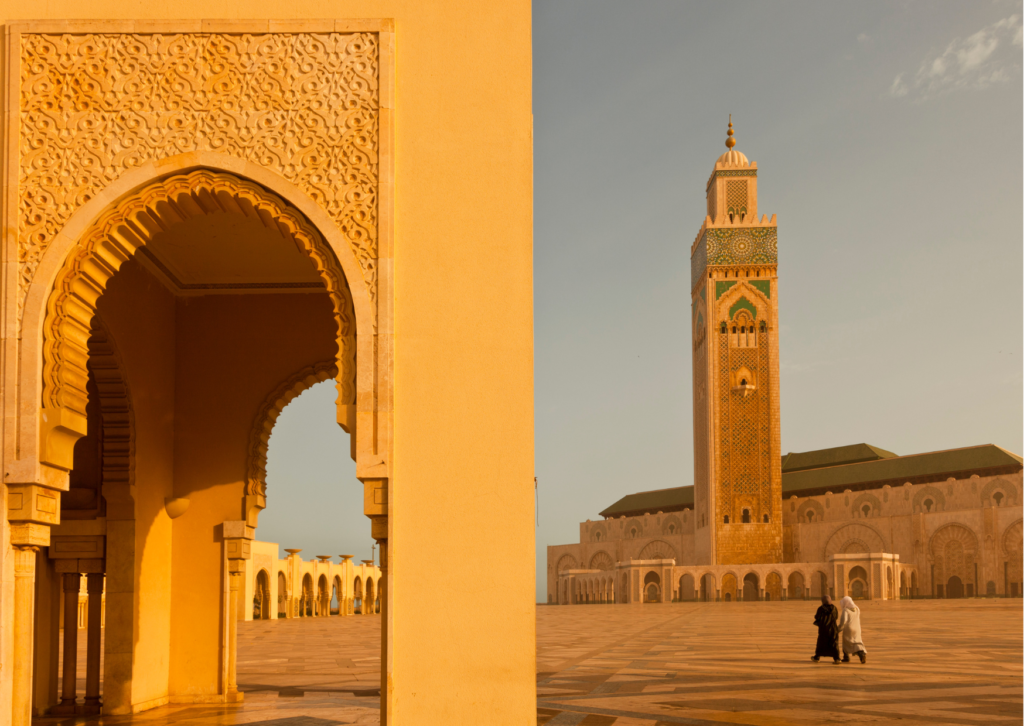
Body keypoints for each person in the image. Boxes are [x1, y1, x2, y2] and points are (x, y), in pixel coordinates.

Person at [811, 595, 840, 663]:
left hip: (824, 628)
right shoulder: (834, 608)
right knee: (834, 643)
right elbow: (836, 617)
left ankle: (817, 657)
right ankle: (837, 658)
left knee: (821, 643)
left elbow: (817, 617)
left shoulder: (821, 608)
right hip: (833, 628)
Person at [838, 596, 867, 664]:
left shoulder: (846, 610)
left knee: (846, 643)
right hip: (857, 629)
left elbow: (843, 621)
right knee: (857, 642)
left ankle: (846, 657)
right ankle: (861, 654)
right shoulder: (857, 608)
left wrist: (839, 628)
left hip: (849, 629)